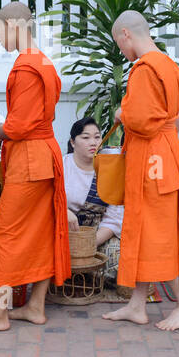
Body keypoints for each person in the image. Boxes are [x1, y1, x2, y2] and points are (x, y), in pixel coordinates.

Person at [0, 2, 68, 333]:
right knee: (39, 231)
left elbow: (19, 126)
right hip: (44, 157)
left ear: (12, 25)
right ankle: (35, 306)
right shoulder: (44, 64)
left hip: (29, 160)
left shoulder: (25, 68)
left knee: (6, 234)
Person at [102, 10, 179, 332]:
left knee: (156, 234)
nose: (122, 51)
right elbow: (175, 117)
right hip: (165, 155)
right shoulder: (169, 66)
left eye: (120, 44)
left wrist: (121, 111)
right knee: (148, 230)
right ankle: (137, 304)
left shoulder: (145, 69)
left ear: (126, 35)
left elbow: (141, 121)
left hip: (152, 161)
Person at [65, 117, 124, 283]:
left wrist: (89, 244)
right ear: (73, 142)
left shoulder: (110, 171)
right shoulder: (61, 166)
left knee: (121, 266)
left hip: (97, 234)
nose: (93, 142)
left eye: (97, 137)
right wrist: (64, 211)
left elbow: (115, 217)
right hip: (63, 232)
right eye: (85, 137)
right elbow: (46, 200)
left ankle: (85, 273)